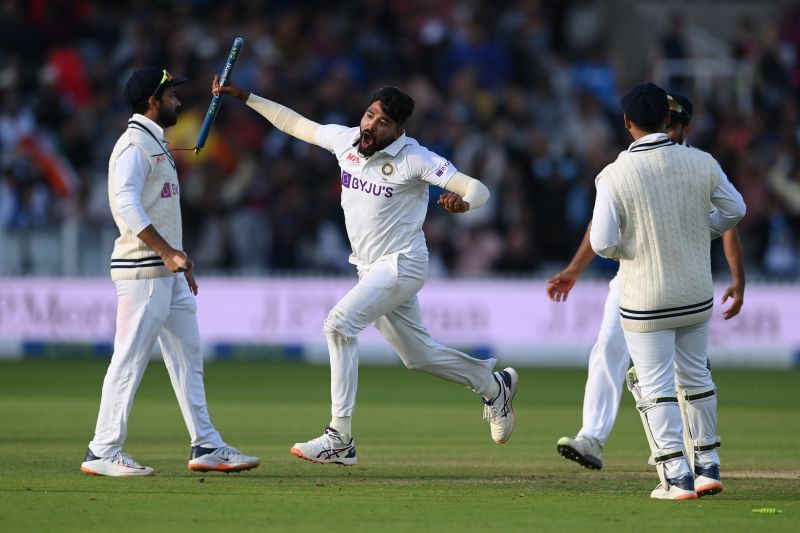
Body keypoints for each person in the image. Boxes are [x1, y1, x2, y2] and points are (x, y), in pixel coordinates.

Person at [212, 76, 518, 465]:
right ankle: (493, 385)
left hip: (403, 263)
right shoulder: (346, 140)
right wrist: (245, 96)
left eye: (383, 122)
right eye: (370, 115)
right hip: (370, 268)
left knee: (338, 325)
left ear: (399, 129)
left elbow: (479, 190)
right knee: (417, 356)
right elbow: (294, 123)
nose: (371, 125)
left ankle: (340, 438)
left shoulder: (416, 158)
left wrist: (464, 205)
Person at [549, 94, 746, 471]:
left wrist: (736, 276)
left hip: (676, 279)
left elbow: (730, 220)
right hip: (638, 278)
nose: (669, 129)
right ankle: (593, 437)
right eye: (665, 121)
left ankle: (688, 460)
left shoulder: (696, 165)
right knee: (610, 347)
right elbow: (601, 225)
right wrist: (575, 269)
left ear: (685, 127)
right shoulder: (673, 164)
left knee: (677, 375)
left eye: (675, 123)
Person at [80, 67, 260, 477]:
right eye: (171, 95)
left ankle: (207, 444)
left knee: (187, 358)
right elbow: (125, 204)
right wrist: (164, 252)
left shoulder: (155, 144)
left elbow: (157, 207)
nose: (178, 100)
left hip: (166, 272)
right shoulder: (132, 147)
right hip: (143, 270)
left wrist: (177, 261)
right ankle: (102, 450)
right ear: (152, 102)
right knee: (129, 359)